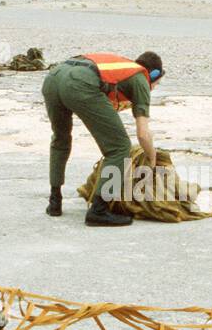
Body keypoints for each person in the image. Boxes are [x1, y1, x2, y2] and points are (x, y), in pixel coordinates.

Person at [41, 51, 164, 225]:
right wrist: (152, 158)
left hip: (54, 77)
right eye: (157, 84)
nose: (154, 88)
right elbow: (143, 134)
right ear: (154, 74)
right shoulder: (141, 77)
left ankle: (54, 202)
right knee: (120, 147)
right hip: (80, 83)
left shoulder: (121, 68)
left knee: (60, 139)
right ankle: (99, 210)